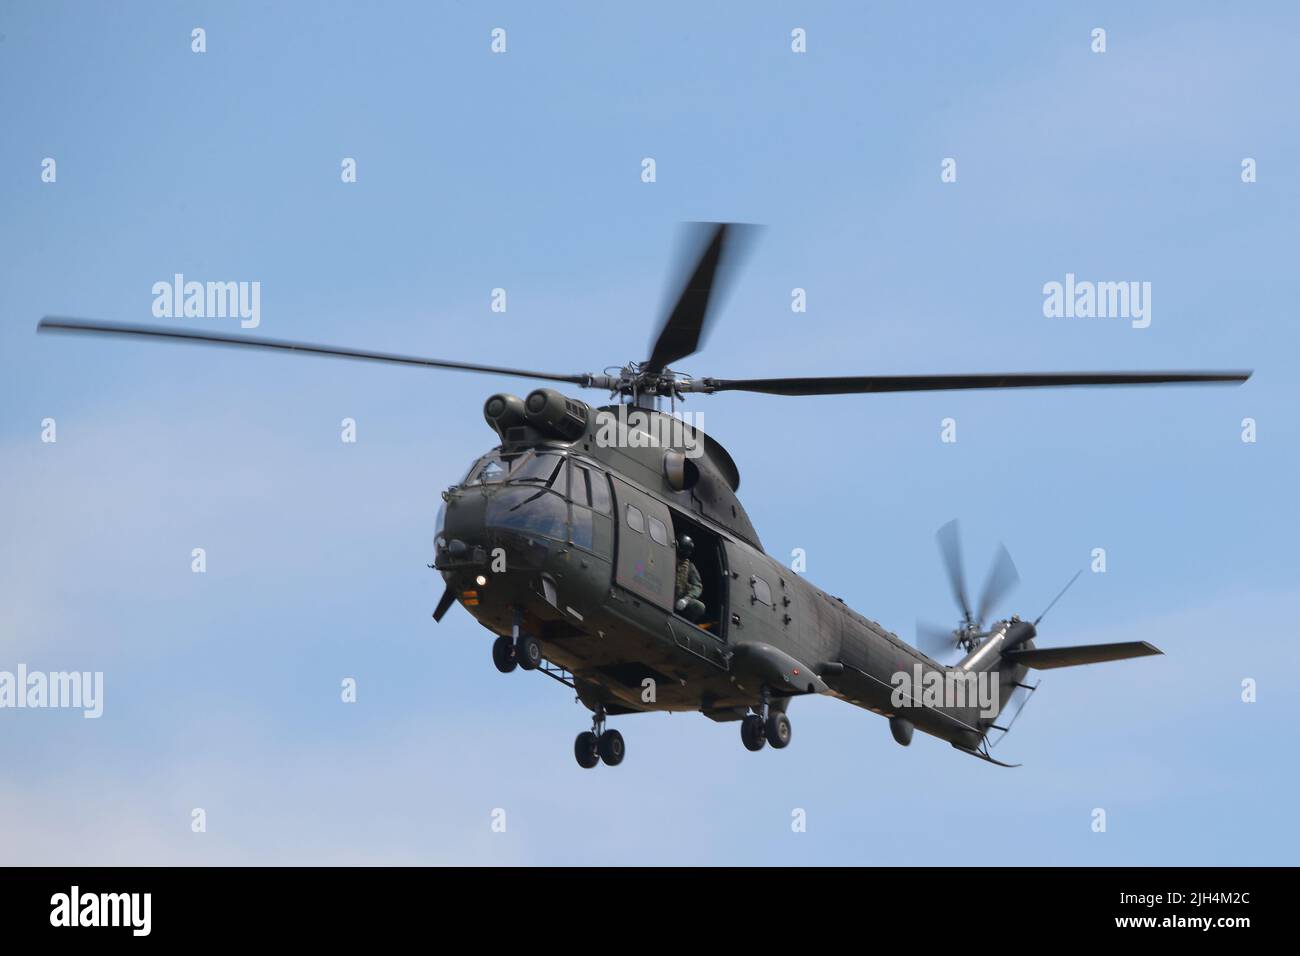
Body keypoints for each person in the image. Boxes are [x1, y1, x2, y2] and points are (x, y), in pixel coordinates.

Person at [674, 536, 706, 623]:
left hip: (677, 599)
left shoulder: (690, 567)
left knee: (699, 607)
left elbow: (698, 586)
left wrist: (686, 599)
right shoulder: (668, 557)